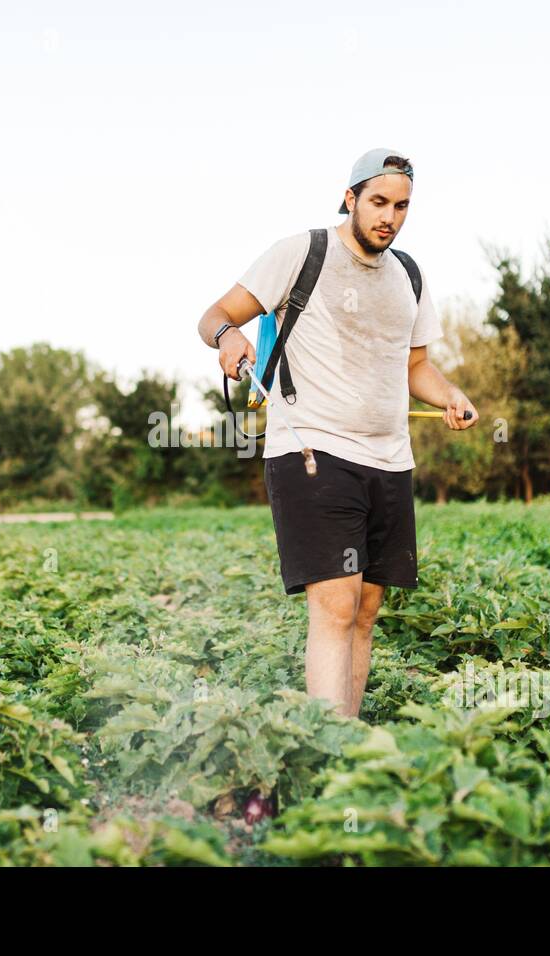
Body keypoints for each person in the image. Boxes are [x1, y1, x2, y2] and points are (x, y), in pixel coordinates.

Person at [196, 148, 478, 719]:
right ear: (350, 199)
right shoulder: (302, 253)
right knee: (336, 603)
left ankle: (343, 743)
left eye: (402, 206)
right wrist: (228, 336)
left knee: (367, 608)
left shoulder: (410, 276)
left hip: (390, 458)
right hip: (310, 448)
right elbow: (214, 315)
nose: (390, 217)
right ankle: (326, 748)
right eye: (378, 202)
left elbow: (415, 366)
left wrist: (449, 394)